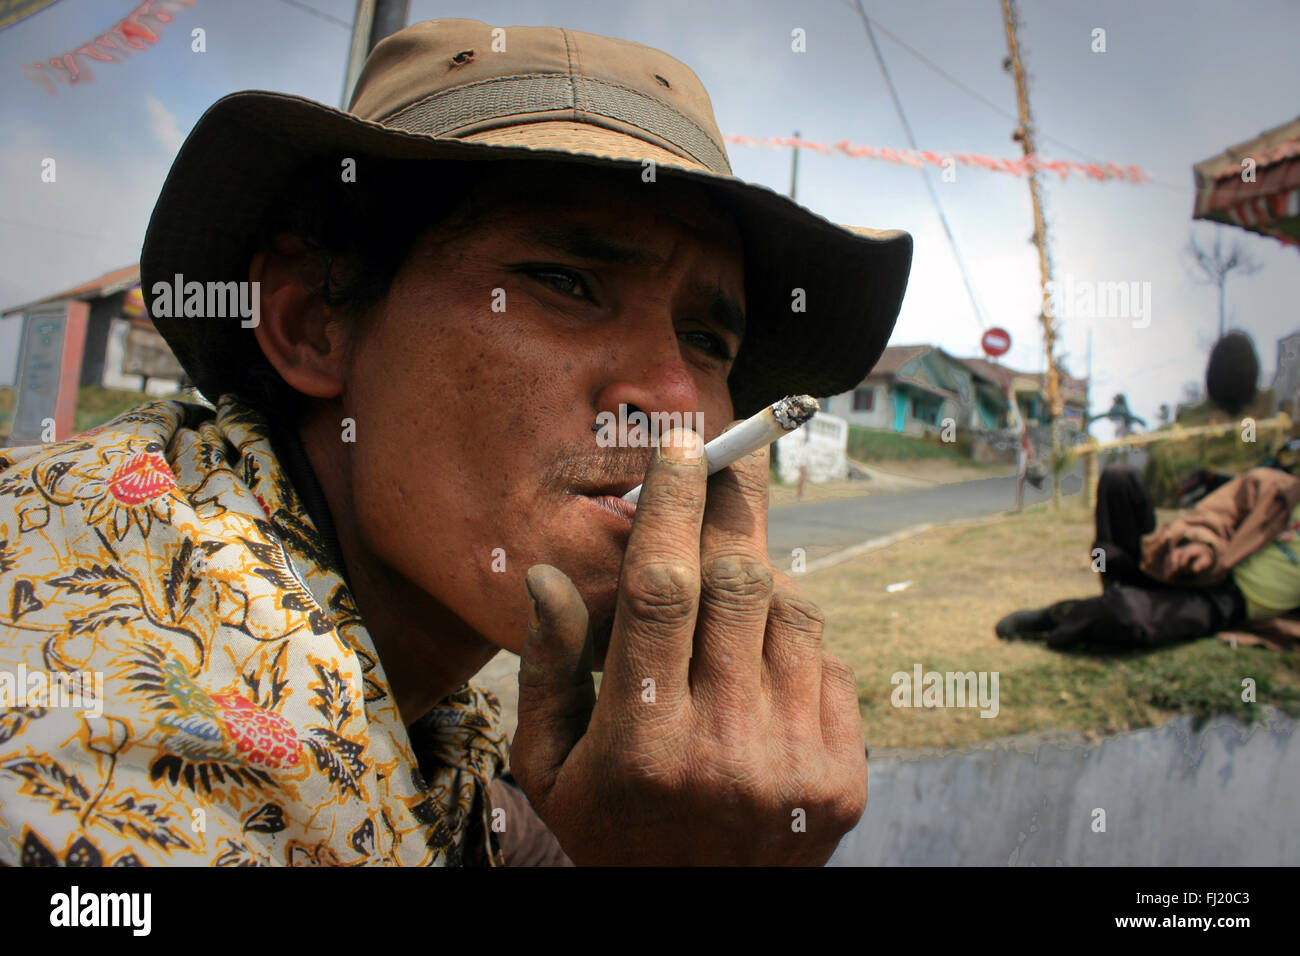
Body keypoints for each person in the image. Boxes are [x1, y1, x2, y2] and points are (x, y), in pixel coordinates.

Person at [0, 19, 912, 866]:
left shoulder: (415, 714)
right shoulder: (117, 739)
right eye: (565, 282)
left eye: (707, 340)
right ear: (314, 322)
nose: (676, 402)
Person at [996, 463, 1300, 650]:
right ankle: (1114, 586)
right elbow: (1214, 516)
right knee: (1119, 479)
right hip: (1188, 566)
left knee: (1127, 615)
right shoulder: (1274, 487)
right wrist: (1202, 546)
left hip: (1225, 603)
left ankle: (1060, 616)